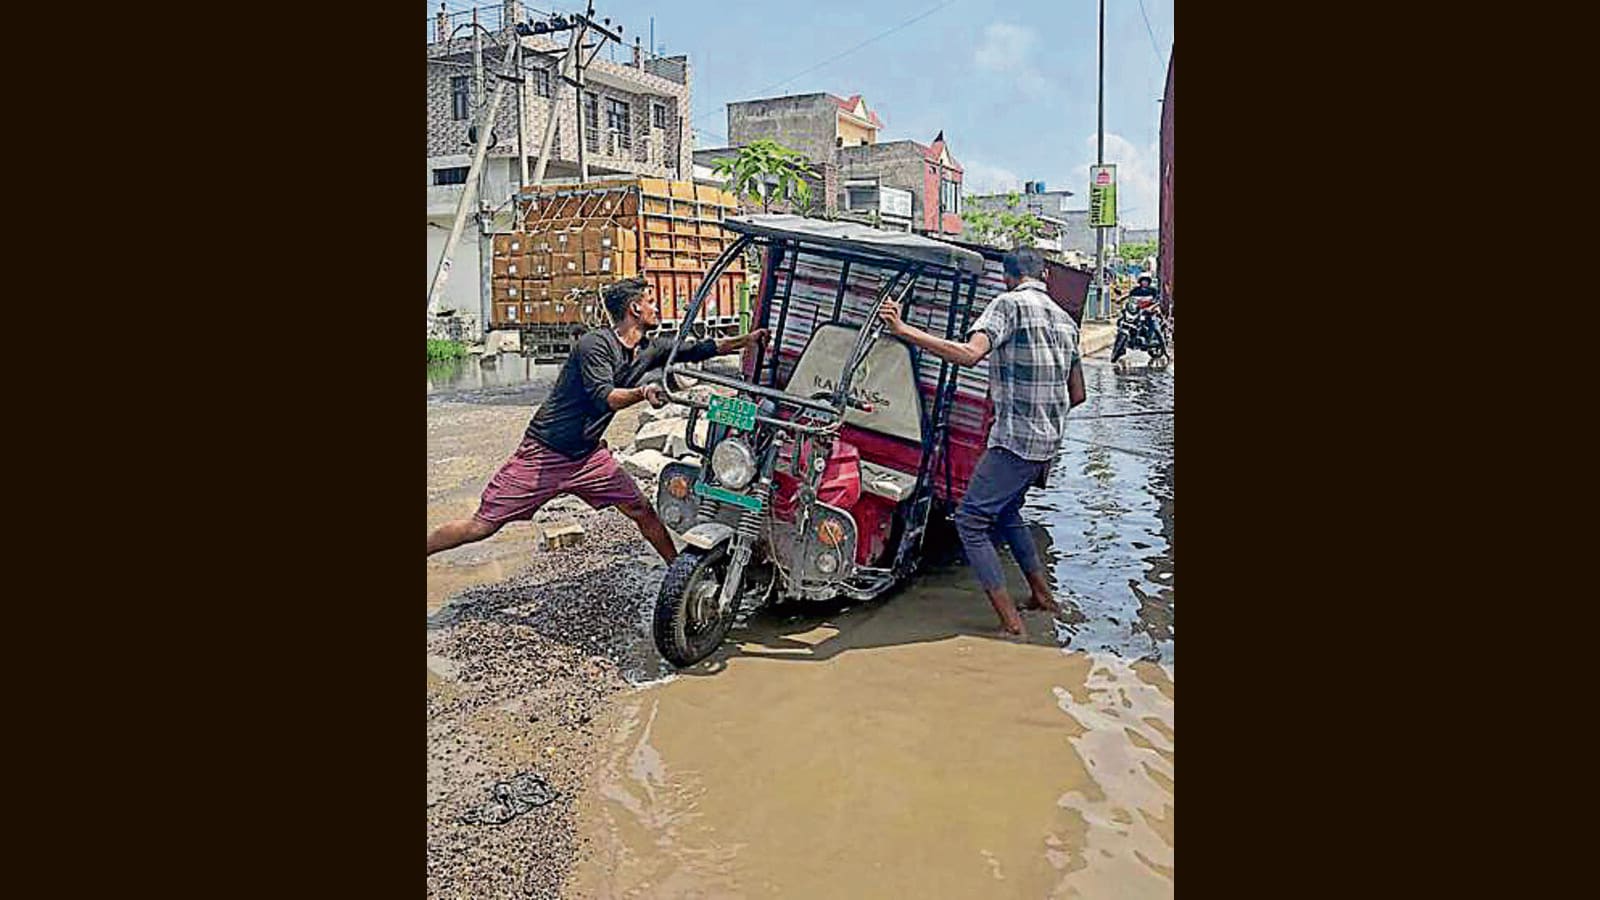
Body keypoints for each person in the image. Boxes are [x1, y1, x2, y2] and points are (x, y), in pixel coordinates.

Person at [427, 276, 768, 563]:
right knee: (482, 526)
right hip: (545, 454)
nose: (656, 307)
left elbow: (703, 348)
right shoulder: (595, 345)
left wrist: (747, 340)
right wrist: (643, 392)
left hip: (589, 457)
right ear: (634, 309)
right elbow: (605, 396)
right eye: (650, 301)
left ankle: (677, 576)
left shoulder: (651, 347)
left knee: (641, 509)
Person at [878, 248, 1086, 636]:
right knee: (1006, 514)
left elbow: (970, 355)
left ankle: (1011, 623)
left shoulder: (1007, 305)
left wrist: (904, 331)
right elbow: (1078, 395)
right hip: (1047, 446)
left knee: (971, 521)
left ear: (1007, 278)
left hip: (1014, 442)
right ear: (1044, 275)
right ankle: (1043, 598)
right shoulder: (1065, 321)